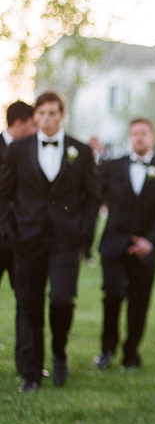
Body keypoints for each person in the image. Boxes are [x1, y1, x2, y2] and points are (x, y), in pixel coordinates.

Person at [0, 92, 102, 390]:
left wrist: (83, 231)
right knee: (29, 305)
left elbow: (93, 196)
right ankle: (31, 373)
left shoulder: (80, 151)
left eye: (52, 113)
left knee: (61, 300)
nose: (46, 119)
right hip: (27, 240)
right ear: (36, 116)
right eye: (41, 113)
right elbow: (3, 192)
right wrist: (10, 230)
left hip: (65, 241)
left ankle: (59, 352)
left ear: (62, 115)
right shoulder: (18, 149)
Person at [95, 118, 155, 372]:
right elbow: (97, 196)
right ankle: (107, 349)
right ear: (130, 137)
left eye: (144, 133)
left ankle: (131, 353)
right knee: (113, 295)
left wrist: (150, 240)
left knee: (140, 302)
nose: (139, 137)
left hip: (146, 248)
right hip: (114, 244)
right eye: (135, 133)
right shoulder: (112, 166)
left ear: (153, 137)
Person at [0, 100, 38, 299]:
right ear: (18, 123)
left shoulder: (33, 152)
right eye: (33, 125)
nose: (36, 130)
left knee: (26, 297)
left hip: (22, 235)